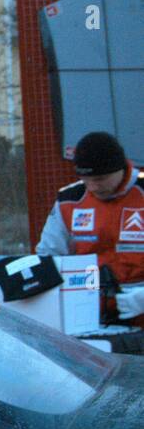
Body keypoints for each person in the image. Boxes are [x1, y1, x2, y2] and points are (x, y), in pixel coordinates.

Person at [35, 131, 144, 324]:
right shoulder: (70, 200)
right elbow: (48, 256)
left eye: (100, 179)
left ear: (120, 169)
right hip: (89, 313)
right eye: (87, 179)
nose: (93, 186)